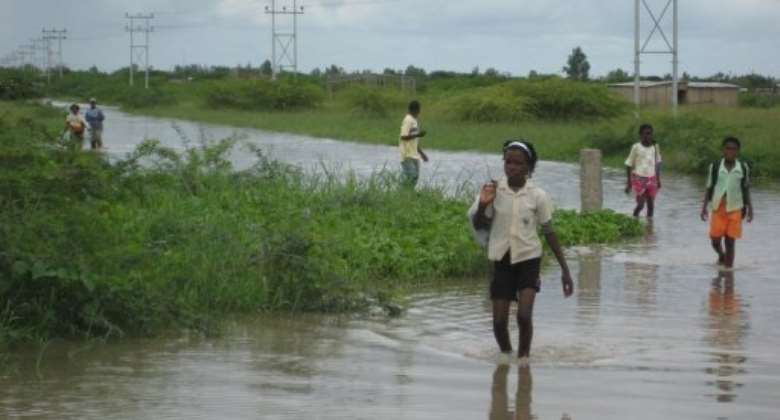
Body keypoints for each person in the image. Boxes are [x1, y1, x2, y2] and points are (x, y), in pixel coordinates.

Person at [468, 140, 574, 366]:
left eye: (518, 163)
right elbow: (479, 225)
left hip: (529, 260)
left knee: (524, 316)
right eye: (508, 162)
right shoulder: (494, 190)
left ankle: (524, 360)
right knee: (498, 321)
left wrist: (565, 270)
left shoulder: (538, 195)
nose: (512, 167)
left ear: (529, 167)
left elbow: (549, 232)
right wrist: (482, 205)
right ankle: (506, 355)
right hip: (501, 259)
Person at [700, 137, 753, 269]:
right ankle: (721, 254)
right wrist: (704, 207)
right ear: (723, 150)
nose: (730, 151)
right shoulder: (715, 166)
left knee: (730, 241)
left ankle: (728, 273)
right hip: (718, 207)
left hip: (735, 208)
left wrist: (750, 208)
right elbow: (709, 187)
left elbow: (745, 188)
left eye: (734, 149)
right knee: (715, 240)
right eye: (728, 148)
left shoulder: (743, 167)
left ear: (738, 151)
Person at [624, 124, 662, 218]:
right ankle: (634, 218)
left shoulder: (655, 147)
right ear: (641, 135)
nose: (648, 136)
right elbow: (629, 164)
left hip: (652, 179)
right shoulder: (636, 147)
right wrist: (629, 183)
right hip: (638, 178)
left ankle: (649, 228)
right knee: (641, 204)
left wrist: (658, 180)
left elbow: (657, 163)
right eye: (646, 134)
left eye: (650, 134)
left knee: (651, 206)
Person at [399, 100, 429, 186]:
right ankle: (402, 193)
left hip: (414, 154)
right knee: (412, 176)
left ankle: (408, 194)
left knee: (415, 178)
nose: (419, 112)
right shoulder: (408, 120)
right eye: (419, 110)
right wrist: (418, 134)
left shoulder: (414, 121)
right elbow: (403, 137)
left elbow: (414, 140)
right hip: (407, 154)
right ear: (415, 110)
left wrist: (422, 154)